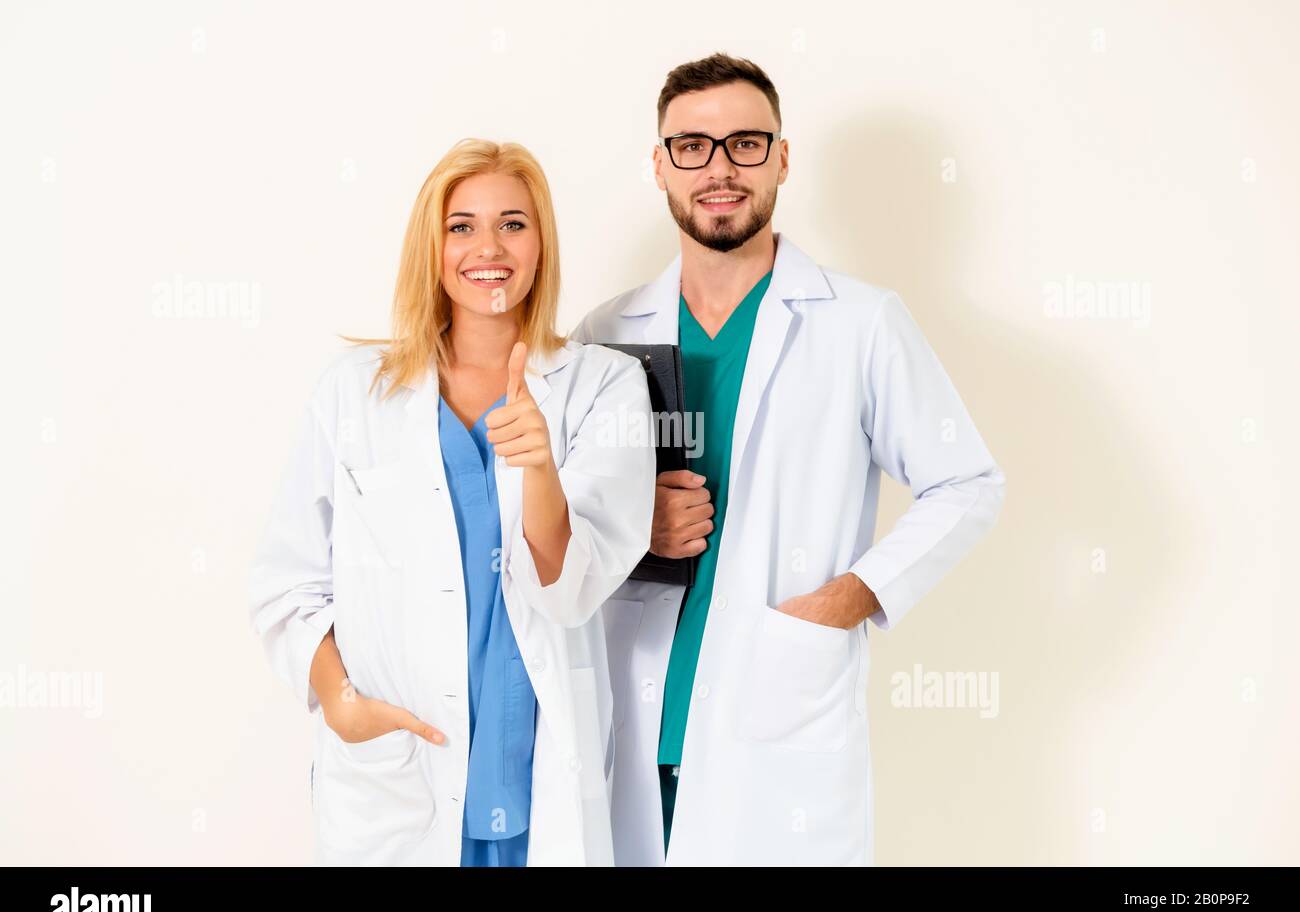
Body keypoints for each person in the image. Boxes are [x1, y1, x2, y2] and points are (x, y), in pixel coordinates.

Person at [574, 53, 1006, 865]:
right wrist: (636, 524)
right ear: (660, 165)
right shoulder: (605, 331)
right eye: (692, 146)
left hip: (778, 706)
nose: (720, 168)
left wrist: (848, 598)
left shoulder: (861, 323)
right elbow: (560, 523)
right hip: (631, 708)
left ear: (781, 156)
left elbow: (969, 482)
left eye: (745, 142)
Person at [249, 138, 655, 866]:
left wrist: (538, 467)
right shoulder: (353, 392)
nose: (487, 247)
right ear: (431, 246)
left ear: (541, 243)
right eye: (460, 225)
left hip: (537, 779)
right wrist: (341, 701)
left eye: (513, 223)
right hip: (398, 780)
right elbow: (288, 581)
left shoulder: (602, 385)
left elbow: (573, 586)